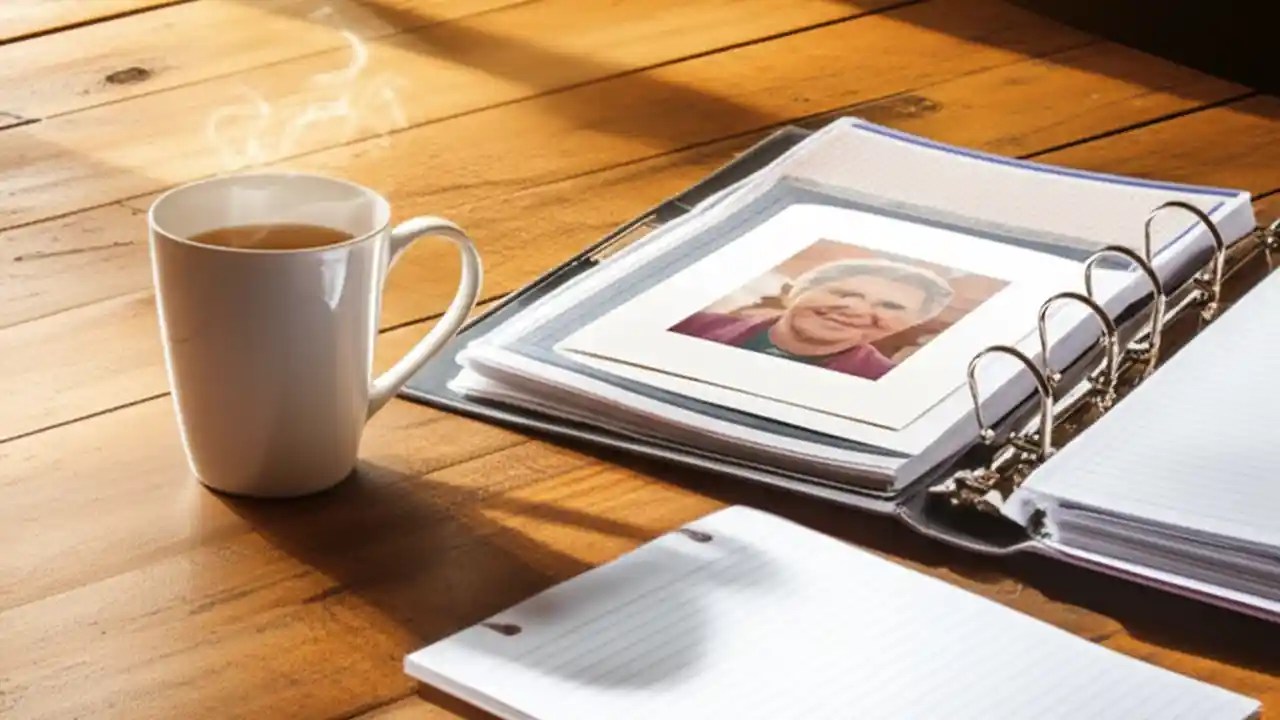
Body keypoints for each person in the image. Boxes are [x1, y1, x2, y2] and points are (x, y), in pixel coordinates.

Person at [670, 259, 954, 379]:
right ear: (796, 293)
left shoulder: (885, 380)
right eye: (845, 294)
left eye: (890, 306)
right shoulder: (691, 326)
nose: (856, 310)